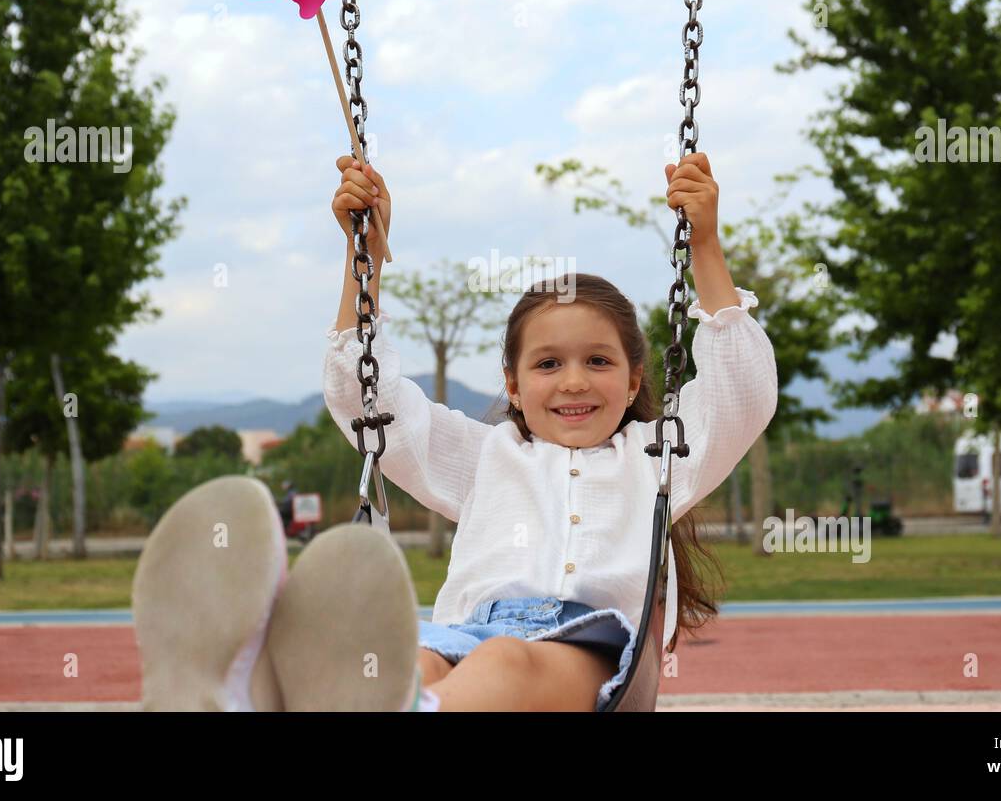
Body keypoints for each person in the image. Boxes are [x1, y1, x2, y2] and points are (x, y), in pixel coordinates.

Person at [130, 151, 778, 712]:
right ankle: (248, 692)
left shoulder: (656, 457)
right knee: (407, 662)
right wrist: (365, 262)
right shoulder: (486, 456)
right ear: (515, 385)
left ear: (635, 382)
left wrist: (706, 249)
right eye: (548, 364)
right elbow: (366, 401)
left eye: (599, 362)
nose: (574, 381)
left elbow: (741, 396)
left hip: (589, 648)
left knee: (502, 664)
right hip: (460, 638)